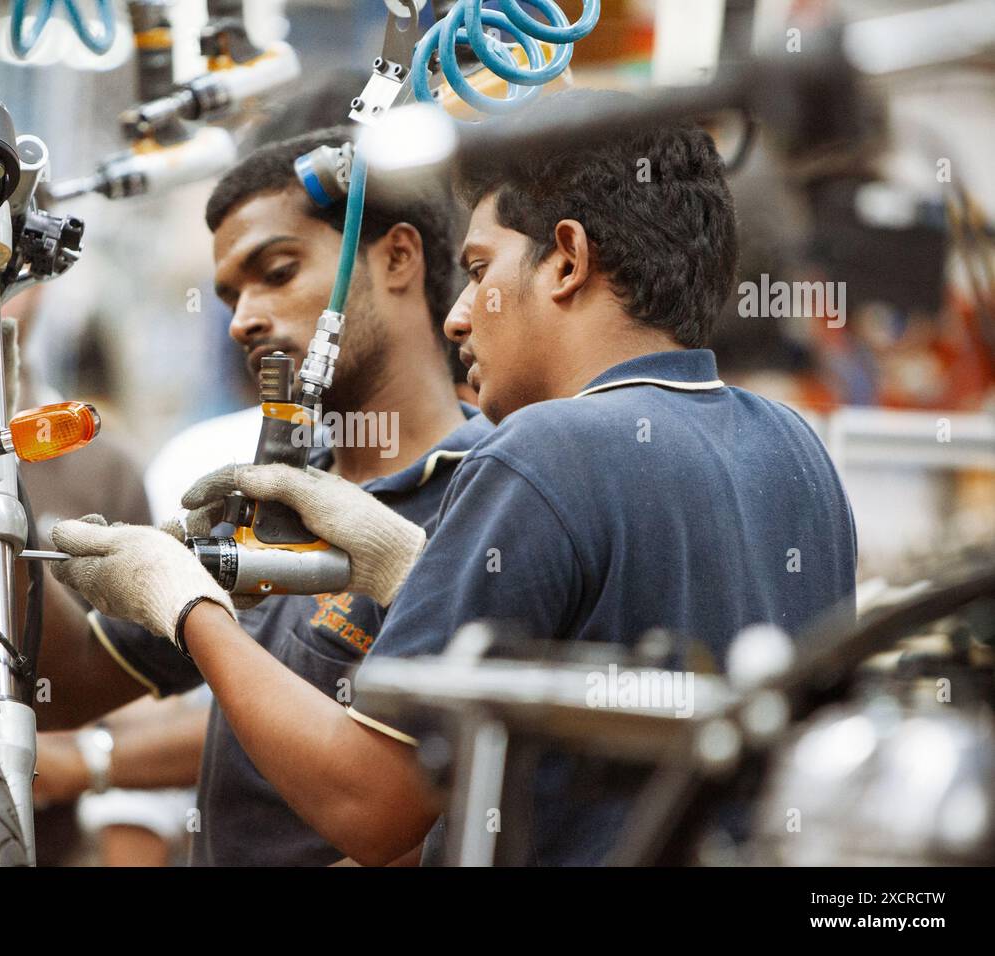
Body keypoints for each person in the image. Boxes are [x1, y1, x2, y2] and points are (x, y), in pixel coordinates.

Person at [49, 90, 859, 865]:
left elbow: (372, 807)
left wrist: (189, 609)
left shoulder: (545, 451)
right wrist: (414, 569)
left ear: (567, 261)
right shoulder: (798, 448)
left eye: (478, 269)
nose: (457, 313)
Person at [0, 126, 483, 864]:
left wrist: (192, 610)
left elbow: (391, 818)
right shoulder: (272, 496)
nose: (242, 319)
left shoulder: (484, 491)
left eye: (278, 271)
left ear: (397, 257)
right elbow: (59, 685)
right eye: (230, 295)